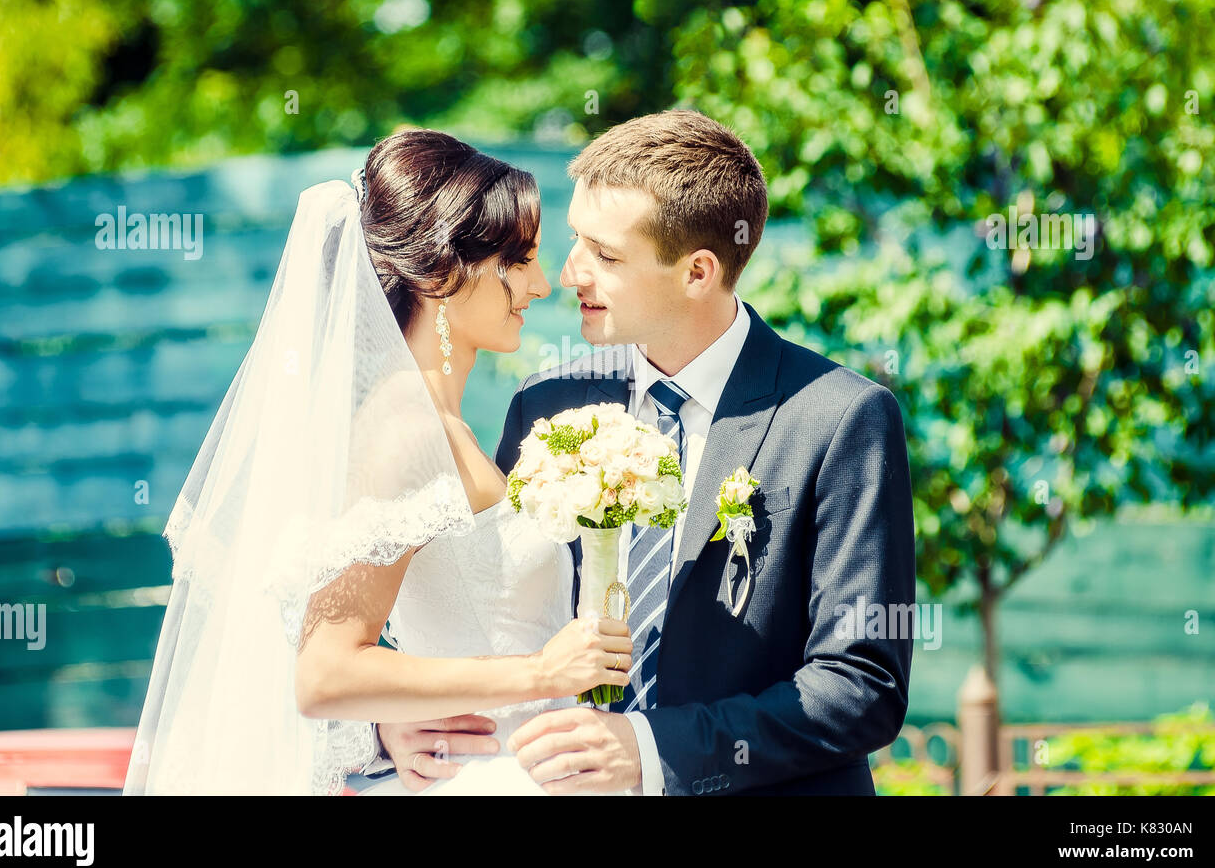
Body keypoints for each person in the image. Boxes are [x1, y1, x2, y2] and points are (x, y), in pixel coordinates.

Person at [370, 110, 917, 795]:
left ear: (697, 271)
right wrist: (394, 717)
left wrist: (652, 749)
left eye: (605, 255)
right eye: (574, 243)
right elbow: (478, 599)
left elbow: (862, 685)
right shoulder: (546, 407)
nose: (567, 274)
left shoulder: (840, 418)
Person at [124, 129, 631, 795]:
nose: (539, 285)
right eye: (518, 259)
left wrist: (390, 721)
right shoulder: (403, 429)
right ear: (438, 272)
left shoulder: (444, 425)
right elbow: (325, 673)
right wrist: (541, 671)